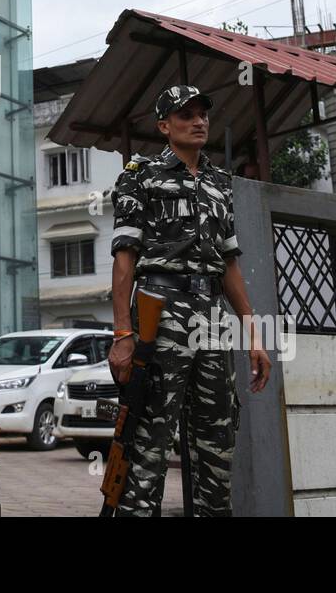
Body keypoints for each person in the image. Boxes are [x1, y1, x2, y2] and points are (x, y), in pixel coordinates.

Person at [107, 84, 272, 516]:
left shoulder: (219, 184)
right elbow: (124, 262)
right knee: (148, 443)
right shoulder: (139, 177)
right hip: (159, 312)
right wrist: (122, 333)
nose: (198, 122)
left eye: (203, 115)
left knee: (218, 444)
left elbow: (230, 265)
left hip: (213, 318)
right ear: (164, 126)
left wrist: (253, 335)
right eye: (186, 116)